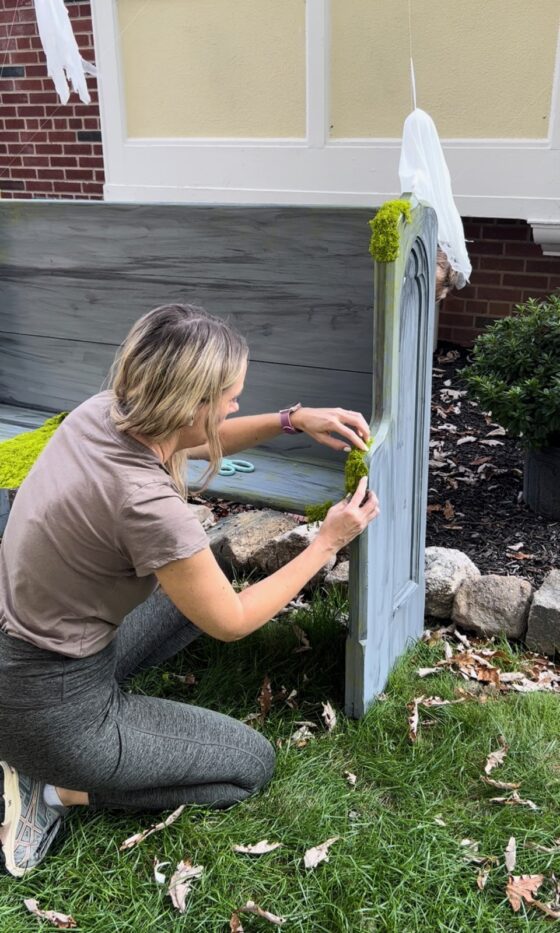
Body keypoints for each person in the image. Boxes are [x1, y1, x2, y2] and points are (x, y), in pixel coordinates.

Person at [0, 303, 380, 878]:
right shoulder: (147, 504)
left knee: (198, 589)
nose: (234, 407)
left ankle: (46, 757)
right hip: (51, 710)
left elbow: (197, 441)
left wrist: (292, 419)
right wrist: (327, 543)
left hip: (24, 654)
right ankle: (53, 790)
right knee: (250, 764)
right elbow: (231, 621)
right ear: (188, 404)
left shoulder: (101, 412)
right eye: (230, 397)